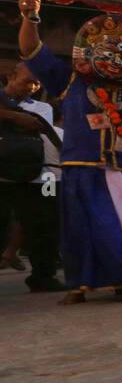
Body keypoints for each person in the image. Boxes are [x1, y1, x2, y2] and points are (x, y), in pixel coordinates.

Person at [16, 0, 122, 302]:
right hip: (85, 173)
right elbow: (31, 50)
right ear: (91, 52)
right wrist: (31, 16)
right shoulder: (70, 81)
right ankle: (81, 285)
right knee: (86, 230)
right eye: (109, 50)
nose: (117, 56)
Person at [0, 61, 62, 291]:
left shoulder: (42, 108)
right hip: (2, 176)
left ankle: (43, 277)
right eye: (28, 81)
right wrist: (14, 117)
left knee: (43, 225)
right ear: (10, 76)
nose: (33, 87)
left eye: (37, 83)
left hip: (36, 175)